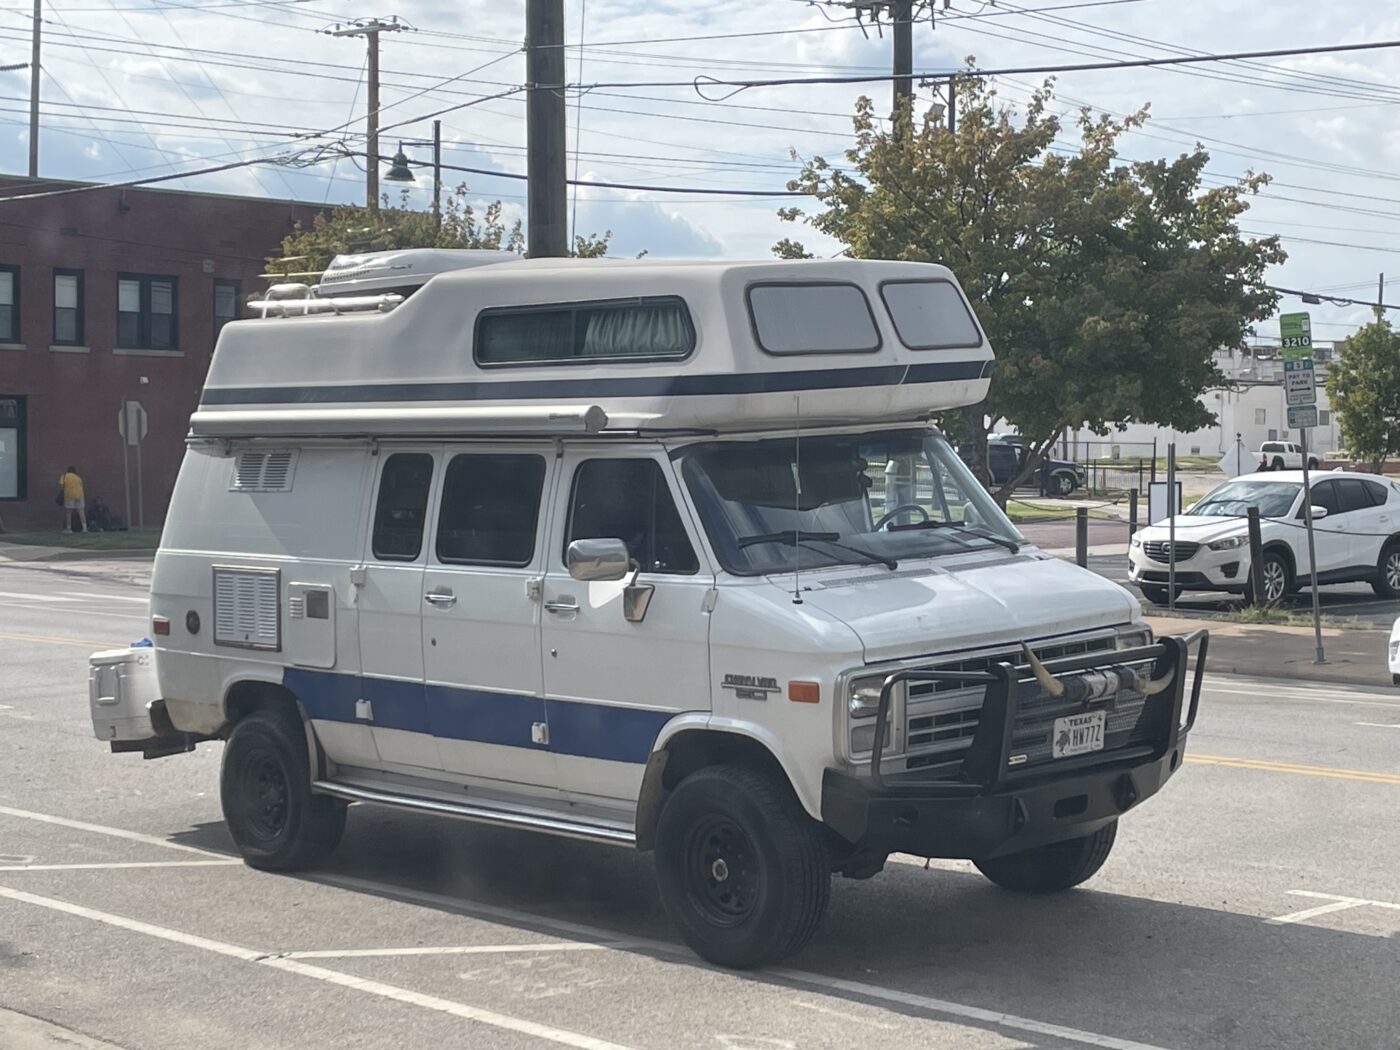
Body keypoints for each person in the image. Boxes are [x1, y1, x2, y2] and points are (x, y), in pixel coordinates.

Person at [58, 466, 87, 533]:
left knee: (69, 512)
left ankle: (69, 529)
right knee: (81, 511)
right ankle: (84, 528)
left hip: (69, 495)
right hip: (80, 495)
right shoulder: (78, 477)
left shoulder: (64, 476)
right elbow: (81, 486)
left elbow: (61, 486)